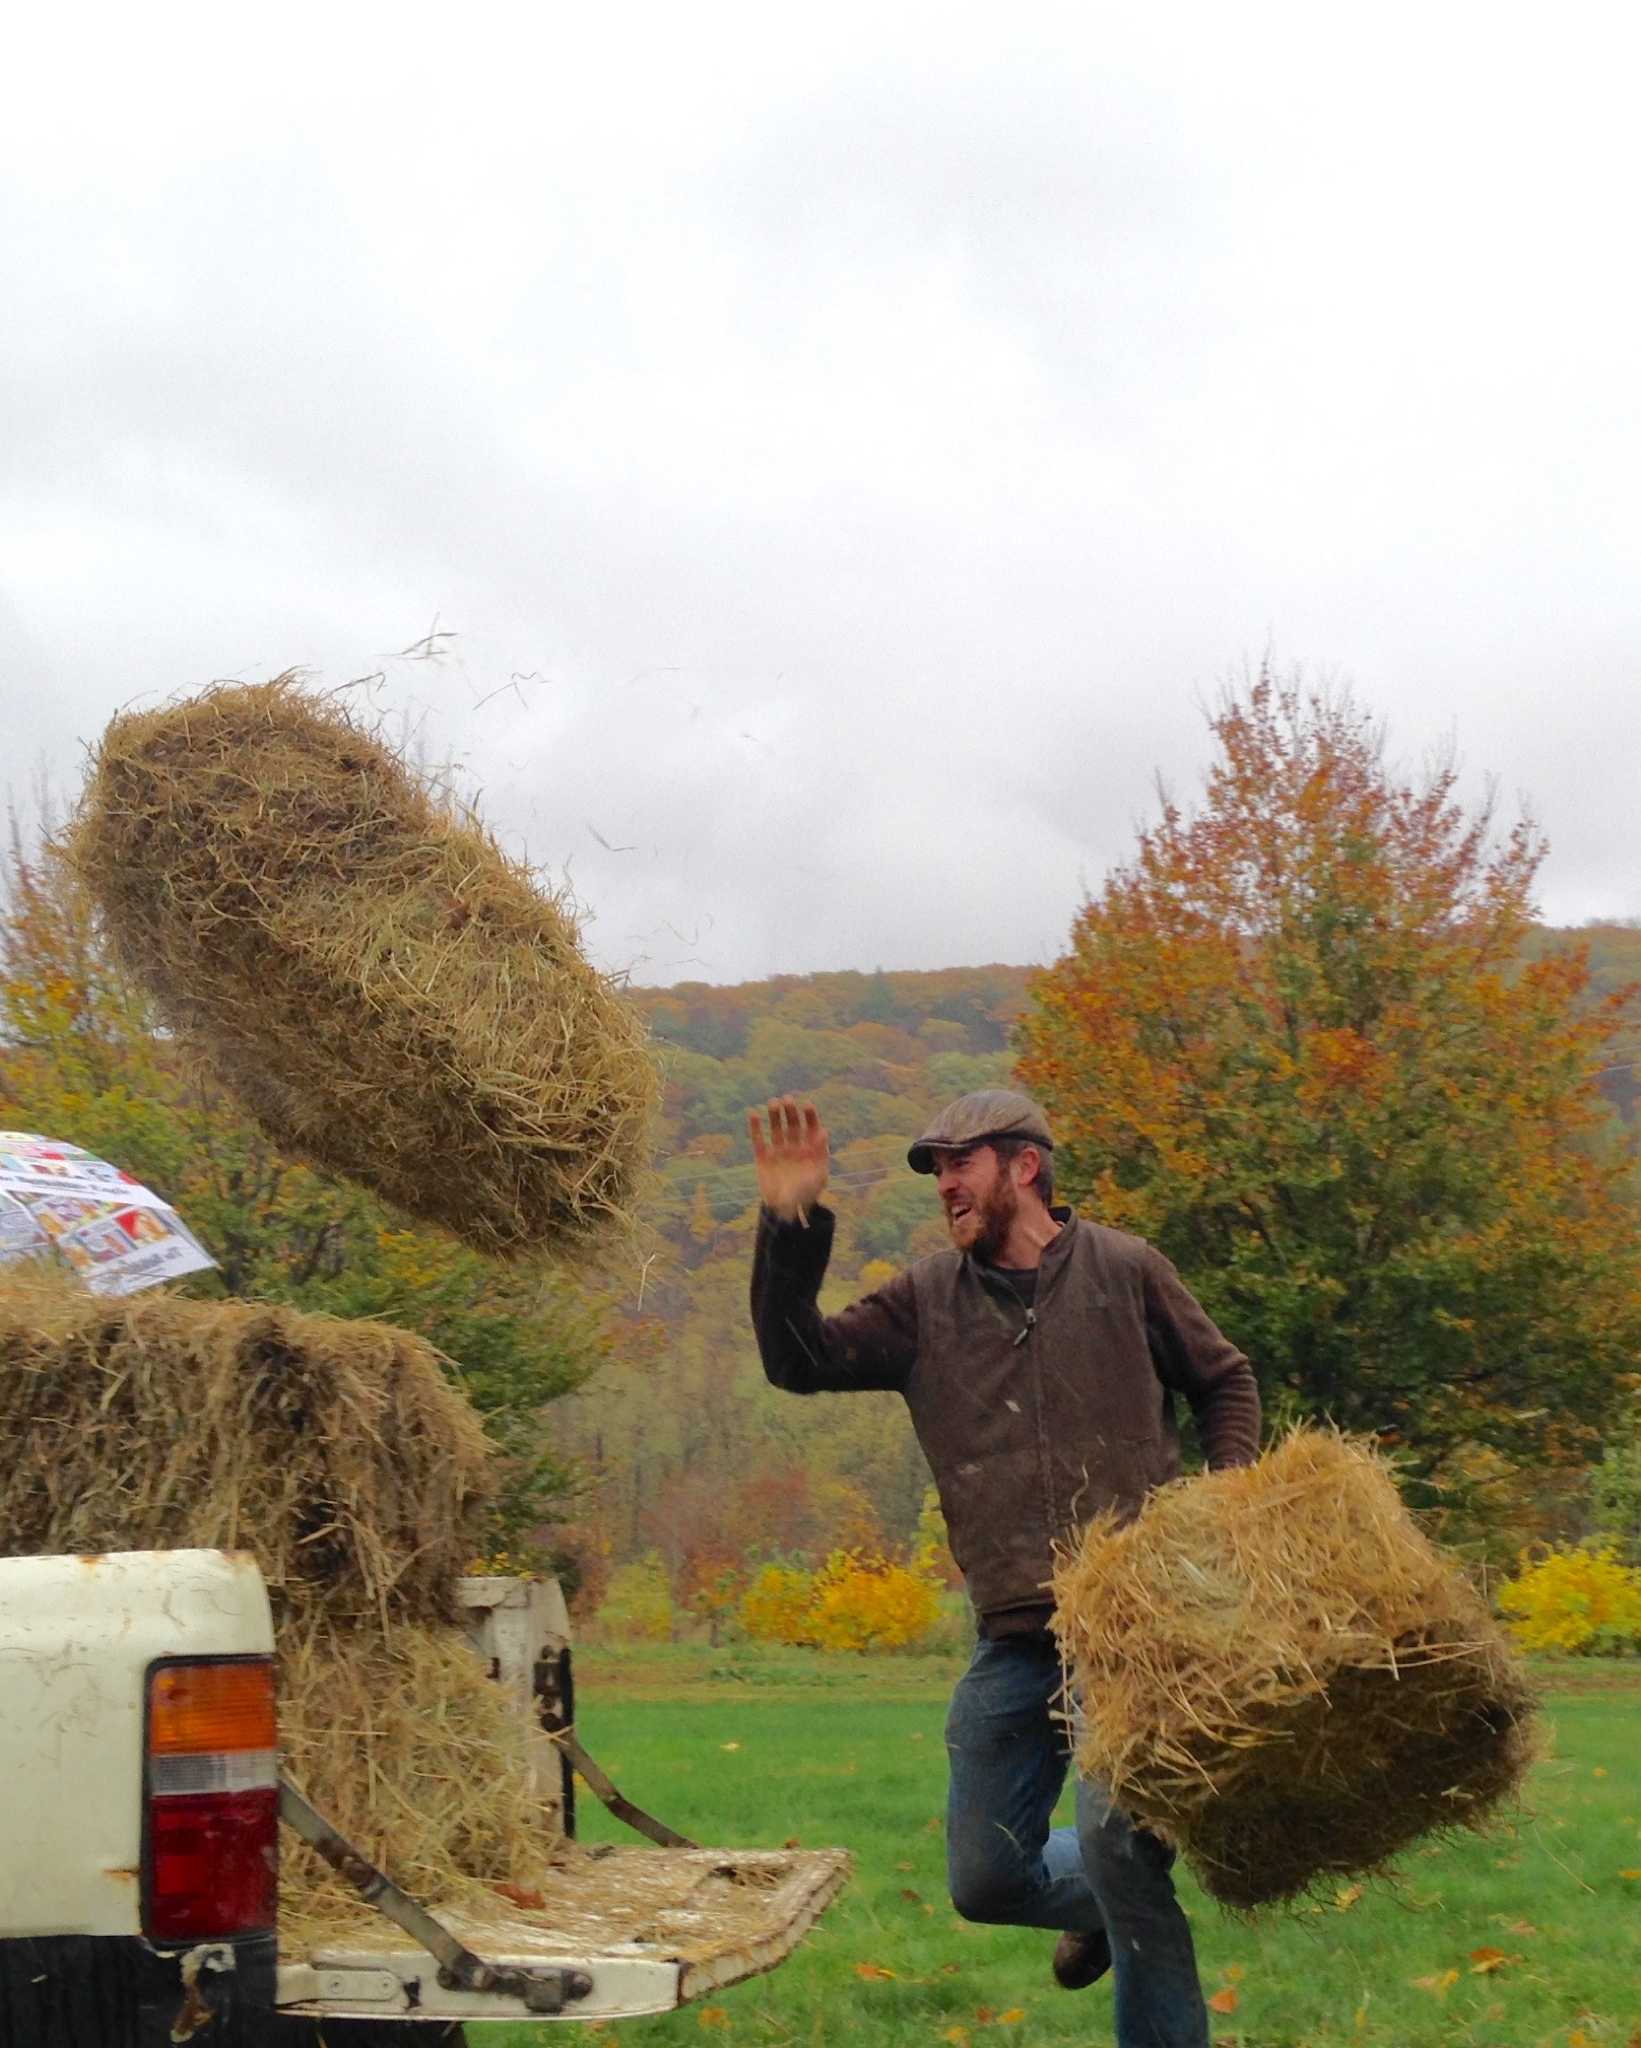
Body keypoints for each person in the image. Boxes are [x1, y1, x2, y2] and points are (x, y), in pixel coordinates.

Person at [748, 1087, 1261, 2048]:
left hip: (1137, 1633)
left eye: (958, 1163)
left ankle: (1128, 1914)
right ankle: (1108, 1903)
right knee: (984, 1881)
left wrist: (1226, 1497)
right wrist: (790, 1223)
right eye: (936, 1168)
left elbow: (1223, 1379)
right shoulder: (923, 1304)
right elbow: (797, 1357)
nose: (943, 1185)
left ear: (1023, 1166)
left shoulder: (1124, 1270)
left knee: (1116, 1842)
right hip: (1016, 1638)